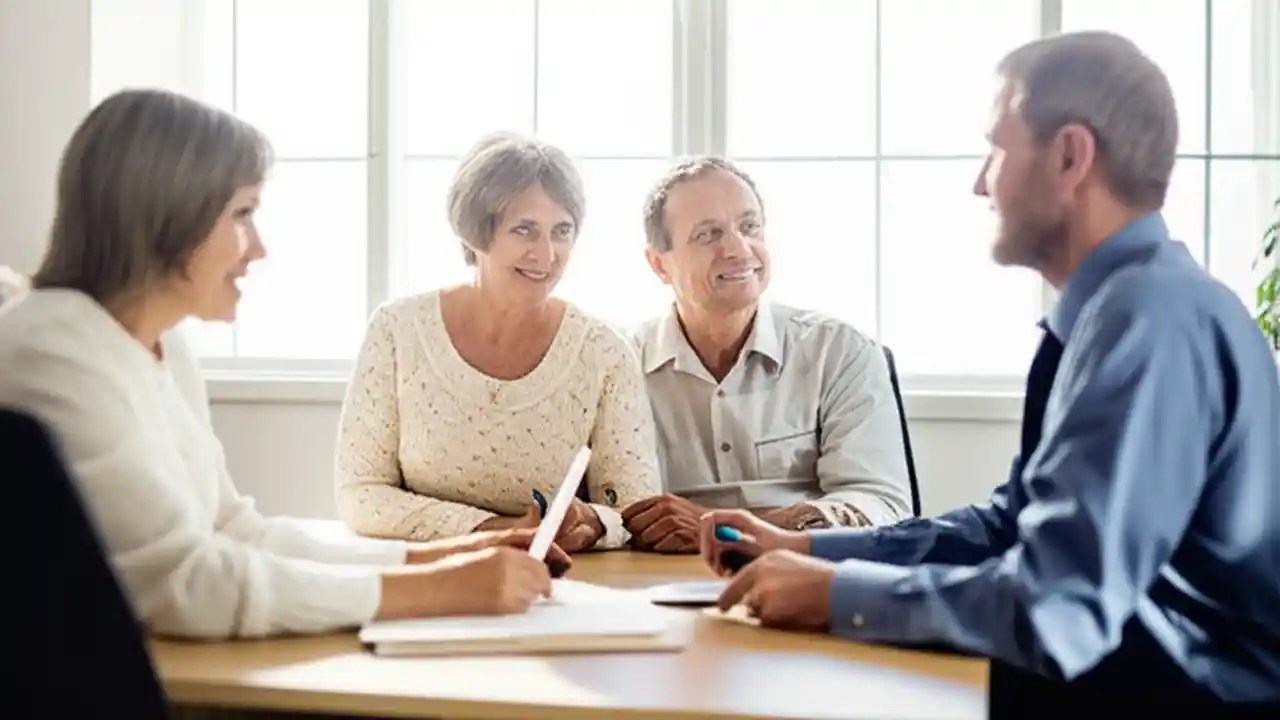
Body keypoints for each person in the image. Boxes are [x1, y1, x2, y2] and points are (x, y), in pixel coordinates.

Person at [699, 31, 1280, 707]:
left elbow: (1057, 604)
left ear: (1069, 155)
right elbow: (1012, 523)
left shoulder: (1148, 322)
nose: (980, 182)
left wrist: (838, 595)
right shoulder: (1124, 308)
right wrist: (818, 552)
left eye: (997, 148)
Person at [0, 89, 571, 640]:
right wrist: (439, 590)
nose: (259, 247)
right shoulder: (53, 348)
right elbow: (186, 583)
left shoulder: (165, 348)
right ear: (168, 215)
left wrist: (439, 557)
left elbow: (235, 532)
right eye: (242, 213)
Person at [334, 132, 661, 553]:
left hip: (557, 583)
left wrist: (596, 524)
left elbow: (637, 510)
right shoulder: (397, 331)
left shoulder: (604, 351)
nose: (546, 255)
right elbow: (361, 495)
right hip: (427, 577)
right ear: (475, 232)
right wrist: (492, 527)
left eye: (561, 231)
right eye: (524, 230)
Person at [621, 157, 912, 554]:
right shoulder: (619, 364)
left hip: (807, 574)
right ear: (659, 264)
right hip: (656, 585)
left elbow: (884, 505)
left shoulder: (840, 352)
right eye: (709, 234)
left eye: (749, 226)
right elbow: (606, 508)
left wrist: (724, 528)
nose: (740, 249)